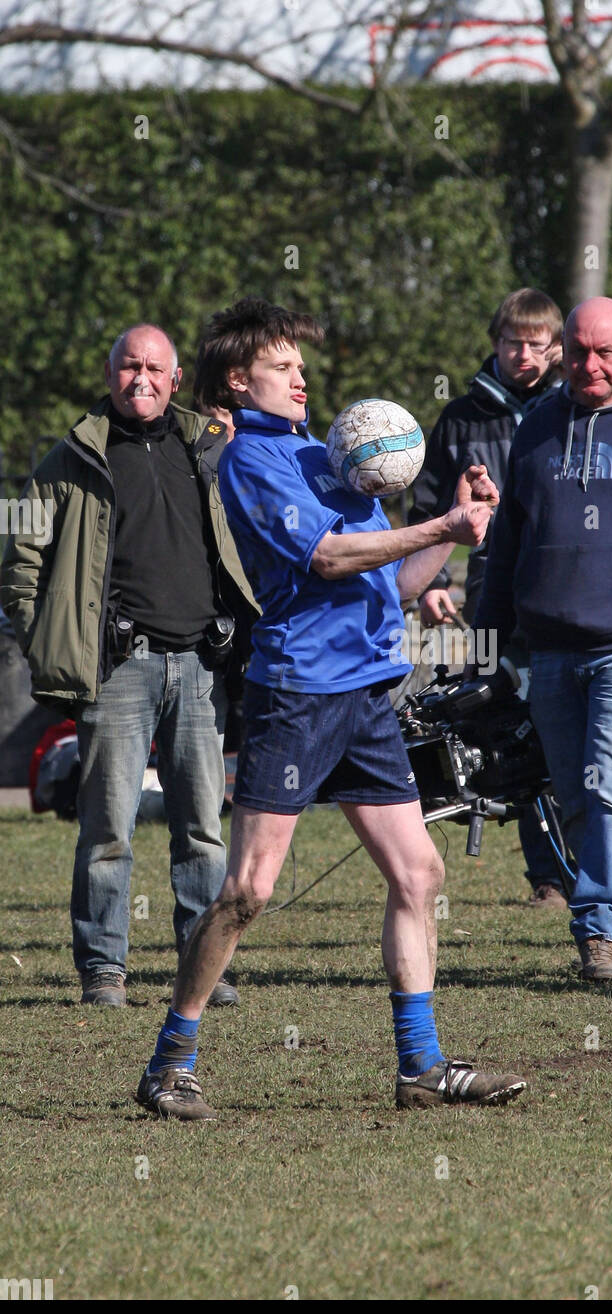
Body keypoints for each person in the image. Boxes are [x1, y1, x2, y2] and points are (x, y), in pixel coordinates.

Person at [134, 296, 526, 1120]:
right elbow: (328, 556)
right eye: (283, 367)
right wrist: (435, 524)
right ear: (239, 382)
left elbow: (393, 581)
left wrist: (458, 528)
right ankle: (171, 1062)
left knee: (420, 871)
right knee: (246, 891)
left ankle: (421, 1067)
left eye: (302, 368)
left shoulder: (328, 459)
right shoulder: (248, 464)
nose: (301, 379)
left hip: (367, 698)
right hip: (298, 696)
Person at [0, 324, 258, 1007]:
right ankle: (104, 971)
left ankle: (204, 964)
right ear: (109, 375)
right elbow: (20, 564)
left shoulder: (210, 448)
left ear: (175, 379)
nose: (139, 378)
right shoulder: (70, 458)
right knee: (107, 829)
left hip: (202, 666)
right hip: (117, 671)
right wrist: (55, 642)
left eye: (153, 367)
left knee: (202, 828)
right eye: (126, 366)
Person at [473, 296, 612, 982]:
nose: (589, 365)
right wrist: (486, 633)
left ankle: (600, 928)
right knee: (571, 792)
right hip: (547, 646)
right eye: (577, 352)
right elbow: (507, 538)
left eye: (604, 352)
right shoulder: (537, 424)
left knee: (608, 783)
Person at [408, 288, 567, 908]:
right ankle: (547, 877)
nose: (522, 355)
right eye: (511, 343)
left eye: (535, 344)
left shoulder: (572, 411)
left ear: (555, 348)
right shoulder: (461, 418)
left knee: (570, 718)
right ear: (495, 344)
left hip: (561, 584)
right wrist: (433, 584)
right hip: (487, 589)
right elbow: (428, 509)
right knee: (512, 721)